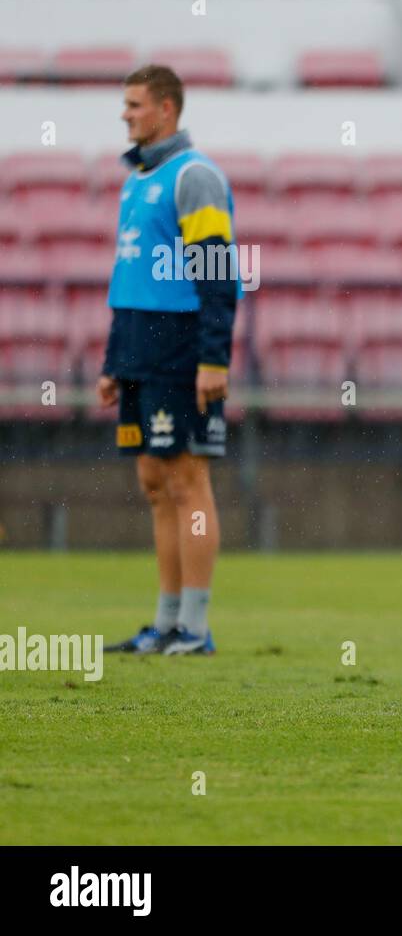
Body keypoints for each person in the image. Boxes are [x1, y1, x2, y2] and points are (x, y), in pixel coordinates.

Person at [101, 65, 240, 656]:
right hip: (138, 351)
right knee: (155, 482)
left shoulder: (194, 176)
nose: (126, 115)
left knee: (188, 480)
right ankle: (163, 622)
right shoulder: (136, 179)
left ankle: (196, 626)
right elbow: (127, 275)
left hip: (182, 350)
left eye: (134, 105)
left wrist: (214, 358)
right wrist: (114, 358)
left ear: (165, 108)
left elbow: (217, 273)